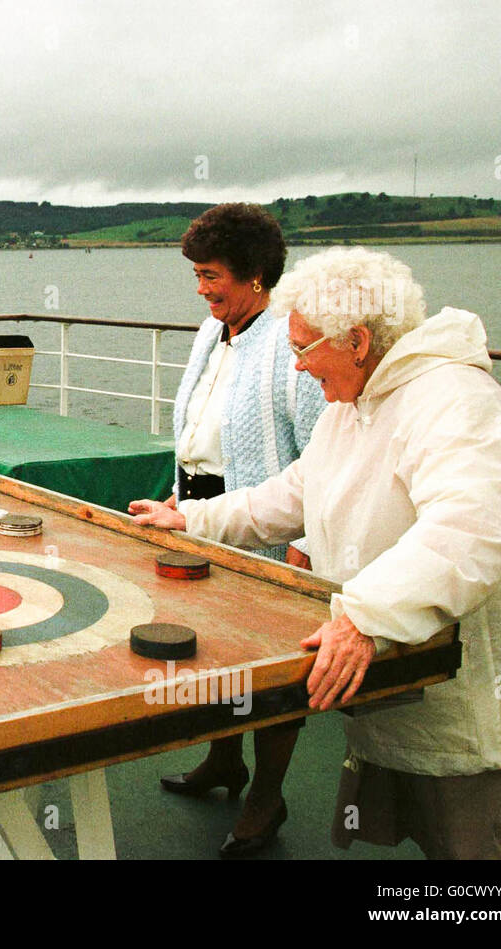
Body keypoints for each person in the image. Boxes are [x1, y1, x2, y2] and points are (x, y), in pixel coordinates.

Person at [130, 246, 501, 859]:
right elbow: (296, 492)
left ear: (356, 339)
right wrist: (191, 517)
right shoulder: (356, 401)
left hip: (465, 693)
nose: (297, 368)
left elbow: (465, 537)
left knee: (473, 854)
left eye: (303, 349)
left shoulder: (455, 402)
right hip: (396, 678)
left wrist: (364, 616)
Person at [159, 203, 326, 857]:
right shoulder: (215, 330)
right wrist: (174, 494)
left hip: (270, 531)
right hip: (199, 517)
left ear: (255, 275)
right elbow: (197, 428)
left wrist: (304, 546)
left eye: (210, 275)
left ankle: (267, 796)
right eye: (197, 274)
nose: (201, 288)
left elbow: (320, 456)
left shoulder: (294, 343)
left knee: (278, 672)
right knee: (220, 652)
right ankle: (224, 762)